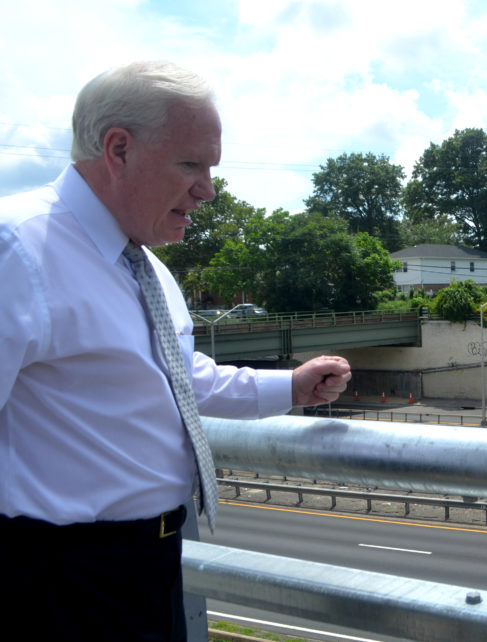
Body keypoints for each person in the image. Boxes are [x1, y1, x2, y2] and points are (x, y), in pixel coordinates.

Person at [0, 61, 352, 641]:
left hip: (152, 563)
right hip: (58, 577)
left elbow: (182, 379)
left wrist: (289, 386)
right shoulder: (20, 250)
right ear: (118, 150)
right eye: (191, 164)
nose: (208, 190)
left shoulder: (148, 267)